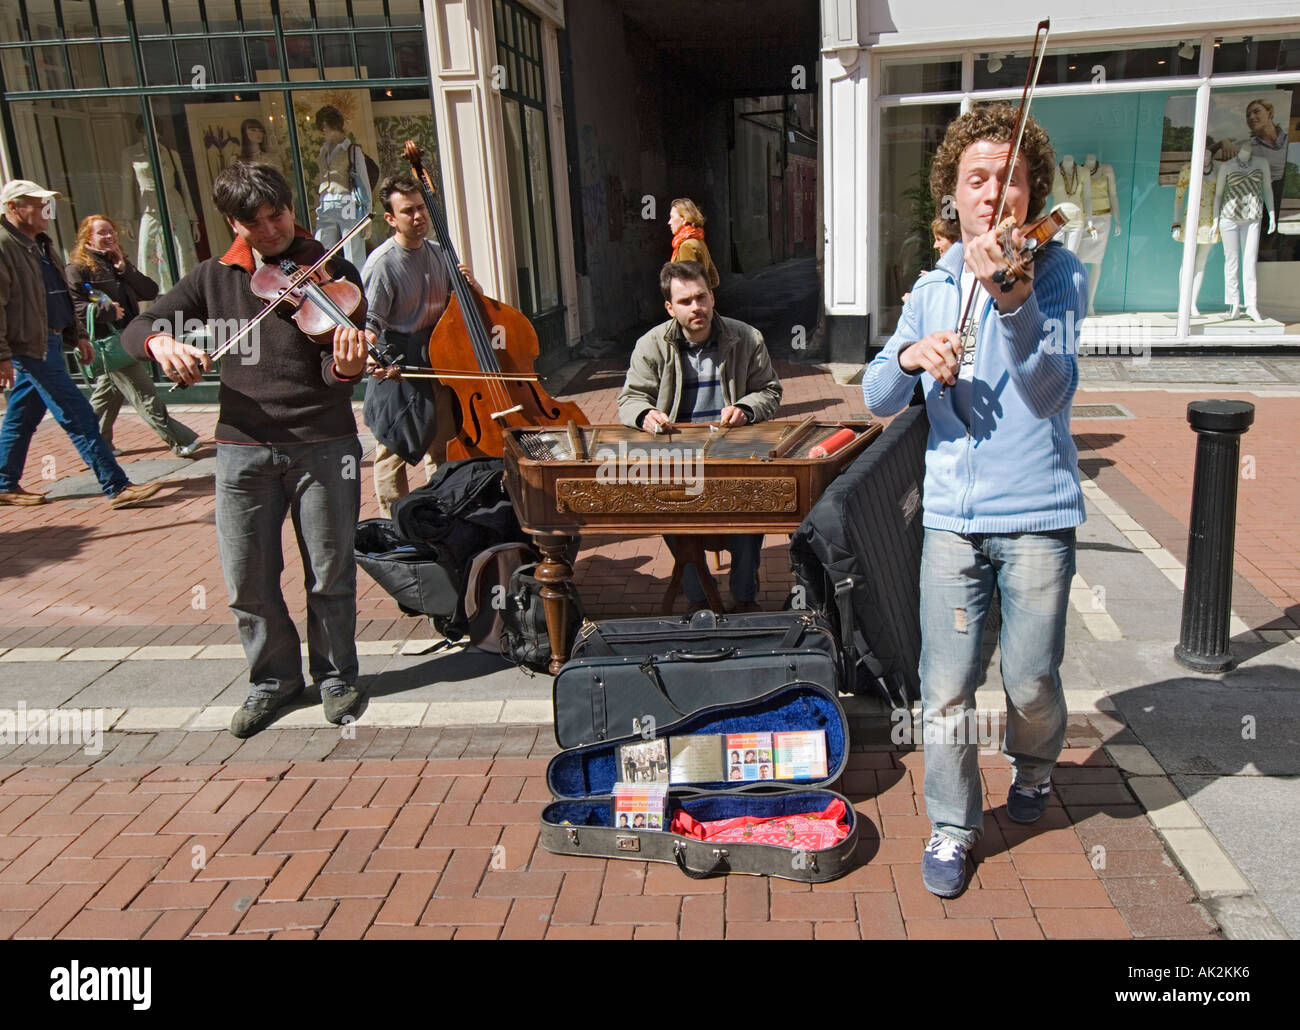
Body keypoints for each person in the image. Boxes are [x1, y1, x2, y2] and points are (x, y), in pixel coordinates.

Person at [862, 104, 1088, 898]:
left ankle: (1033, 766)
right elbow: (877, 392)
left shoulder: (1054, 275)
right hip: (953, 523)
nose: (994, 195)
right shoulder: (929, 287)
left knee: (1030, 681)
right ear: (952, 196)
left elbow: (1052, 388)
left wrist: (1013, 302)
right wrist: (914, 356)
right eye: (977, 180)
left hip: (1036, 519)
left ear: (1032, 194)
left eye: (1011, 180)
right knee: (948, 684)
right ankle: (954, 826)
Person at [122, 162, 372, 738]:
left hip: (323, 441)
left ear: (291, 207)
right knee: (247, 578)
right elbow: (139, 326)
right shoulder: (215, 276)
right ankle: (273, 680)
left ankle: (337, 675)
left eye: (277, 214)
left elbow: (337, 374)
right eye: (253, 222)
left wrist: (348, 365)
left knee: (329, 571)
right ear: (233, 223)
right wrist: (162, 342)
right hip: (241, 446)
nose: (270, 231)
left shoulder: (332, 267)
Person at [616, 260, 782, 613]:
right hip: (677, 453)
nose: (697, 308)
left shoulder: (747, 337)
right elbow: (629, 398)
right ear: (670, 307)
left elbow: (770, 390)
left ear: (712, 296)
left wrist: (747, 409)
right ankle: (696, 596)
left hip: (731, 449)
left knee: (754, 507)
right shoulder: (651, 345)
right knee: (663, 503)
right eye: (686, 301)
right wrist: (646, 415)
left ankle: (744, 596)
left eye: (702, 298)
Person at [0, 180, 162, 509]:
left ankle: (3, 482)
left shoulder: (40, 244)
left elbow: (59, 296)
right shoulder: (4, 246)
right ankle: (116, 486)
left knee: (22, 416)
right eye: (38, 203)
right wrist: (2, 355)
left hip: (51, 339)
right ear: (14, 208)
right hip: (31, 346)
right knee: (77, 413)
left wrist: (79, 336)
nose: (47, 210)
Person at [361, 176, 479, 517]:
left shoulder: (440, 254)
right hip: (397, 360)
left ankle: (438, 516)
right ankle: (394, 526)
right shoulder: (383, 263)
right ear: (390, 219)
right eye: (408, 210)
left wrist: (471, 287)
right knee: (393, 449)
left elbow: (461, 309)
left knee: (440, 445)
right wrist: (369, 358)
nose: (418, 216)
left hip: (438, 358)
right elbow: (370, 325)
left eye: (421, 208)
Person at [65, 215, 201, 458]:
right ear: (87, 238)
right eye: (102, 233)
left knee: (108, 396)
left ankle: (91, 444)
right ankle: (180, 441)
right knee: (144, 393)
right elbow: (75, 307)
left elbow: (149, 290)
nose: (109, 237)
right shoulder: (77, 270)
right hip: (107, 343)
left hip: (127, 338)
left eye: (112, 232)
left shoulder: (116, 264)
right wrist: (107, 310)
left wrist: (125, 270)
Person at [313, 106, 371, 269]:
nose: (324, 129)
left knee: (353, 250)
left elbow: (364, 183)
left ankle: (358, 288)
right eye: (321, 125)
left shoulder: (352, 150)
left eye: (326, 124)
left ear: (335, 124)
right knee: (321, 247)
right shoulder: (323, 150)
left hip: (346, 201)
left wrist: (366, 216)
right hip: (326, 203)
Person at [668, 198, 720, 289]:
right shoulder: (698, 241)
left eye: (672, 217)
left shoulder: (686, 246)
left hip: (689, 302)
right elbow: (714, 279)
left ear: (684, 219)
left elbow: (688, 284)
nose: (669, 222)